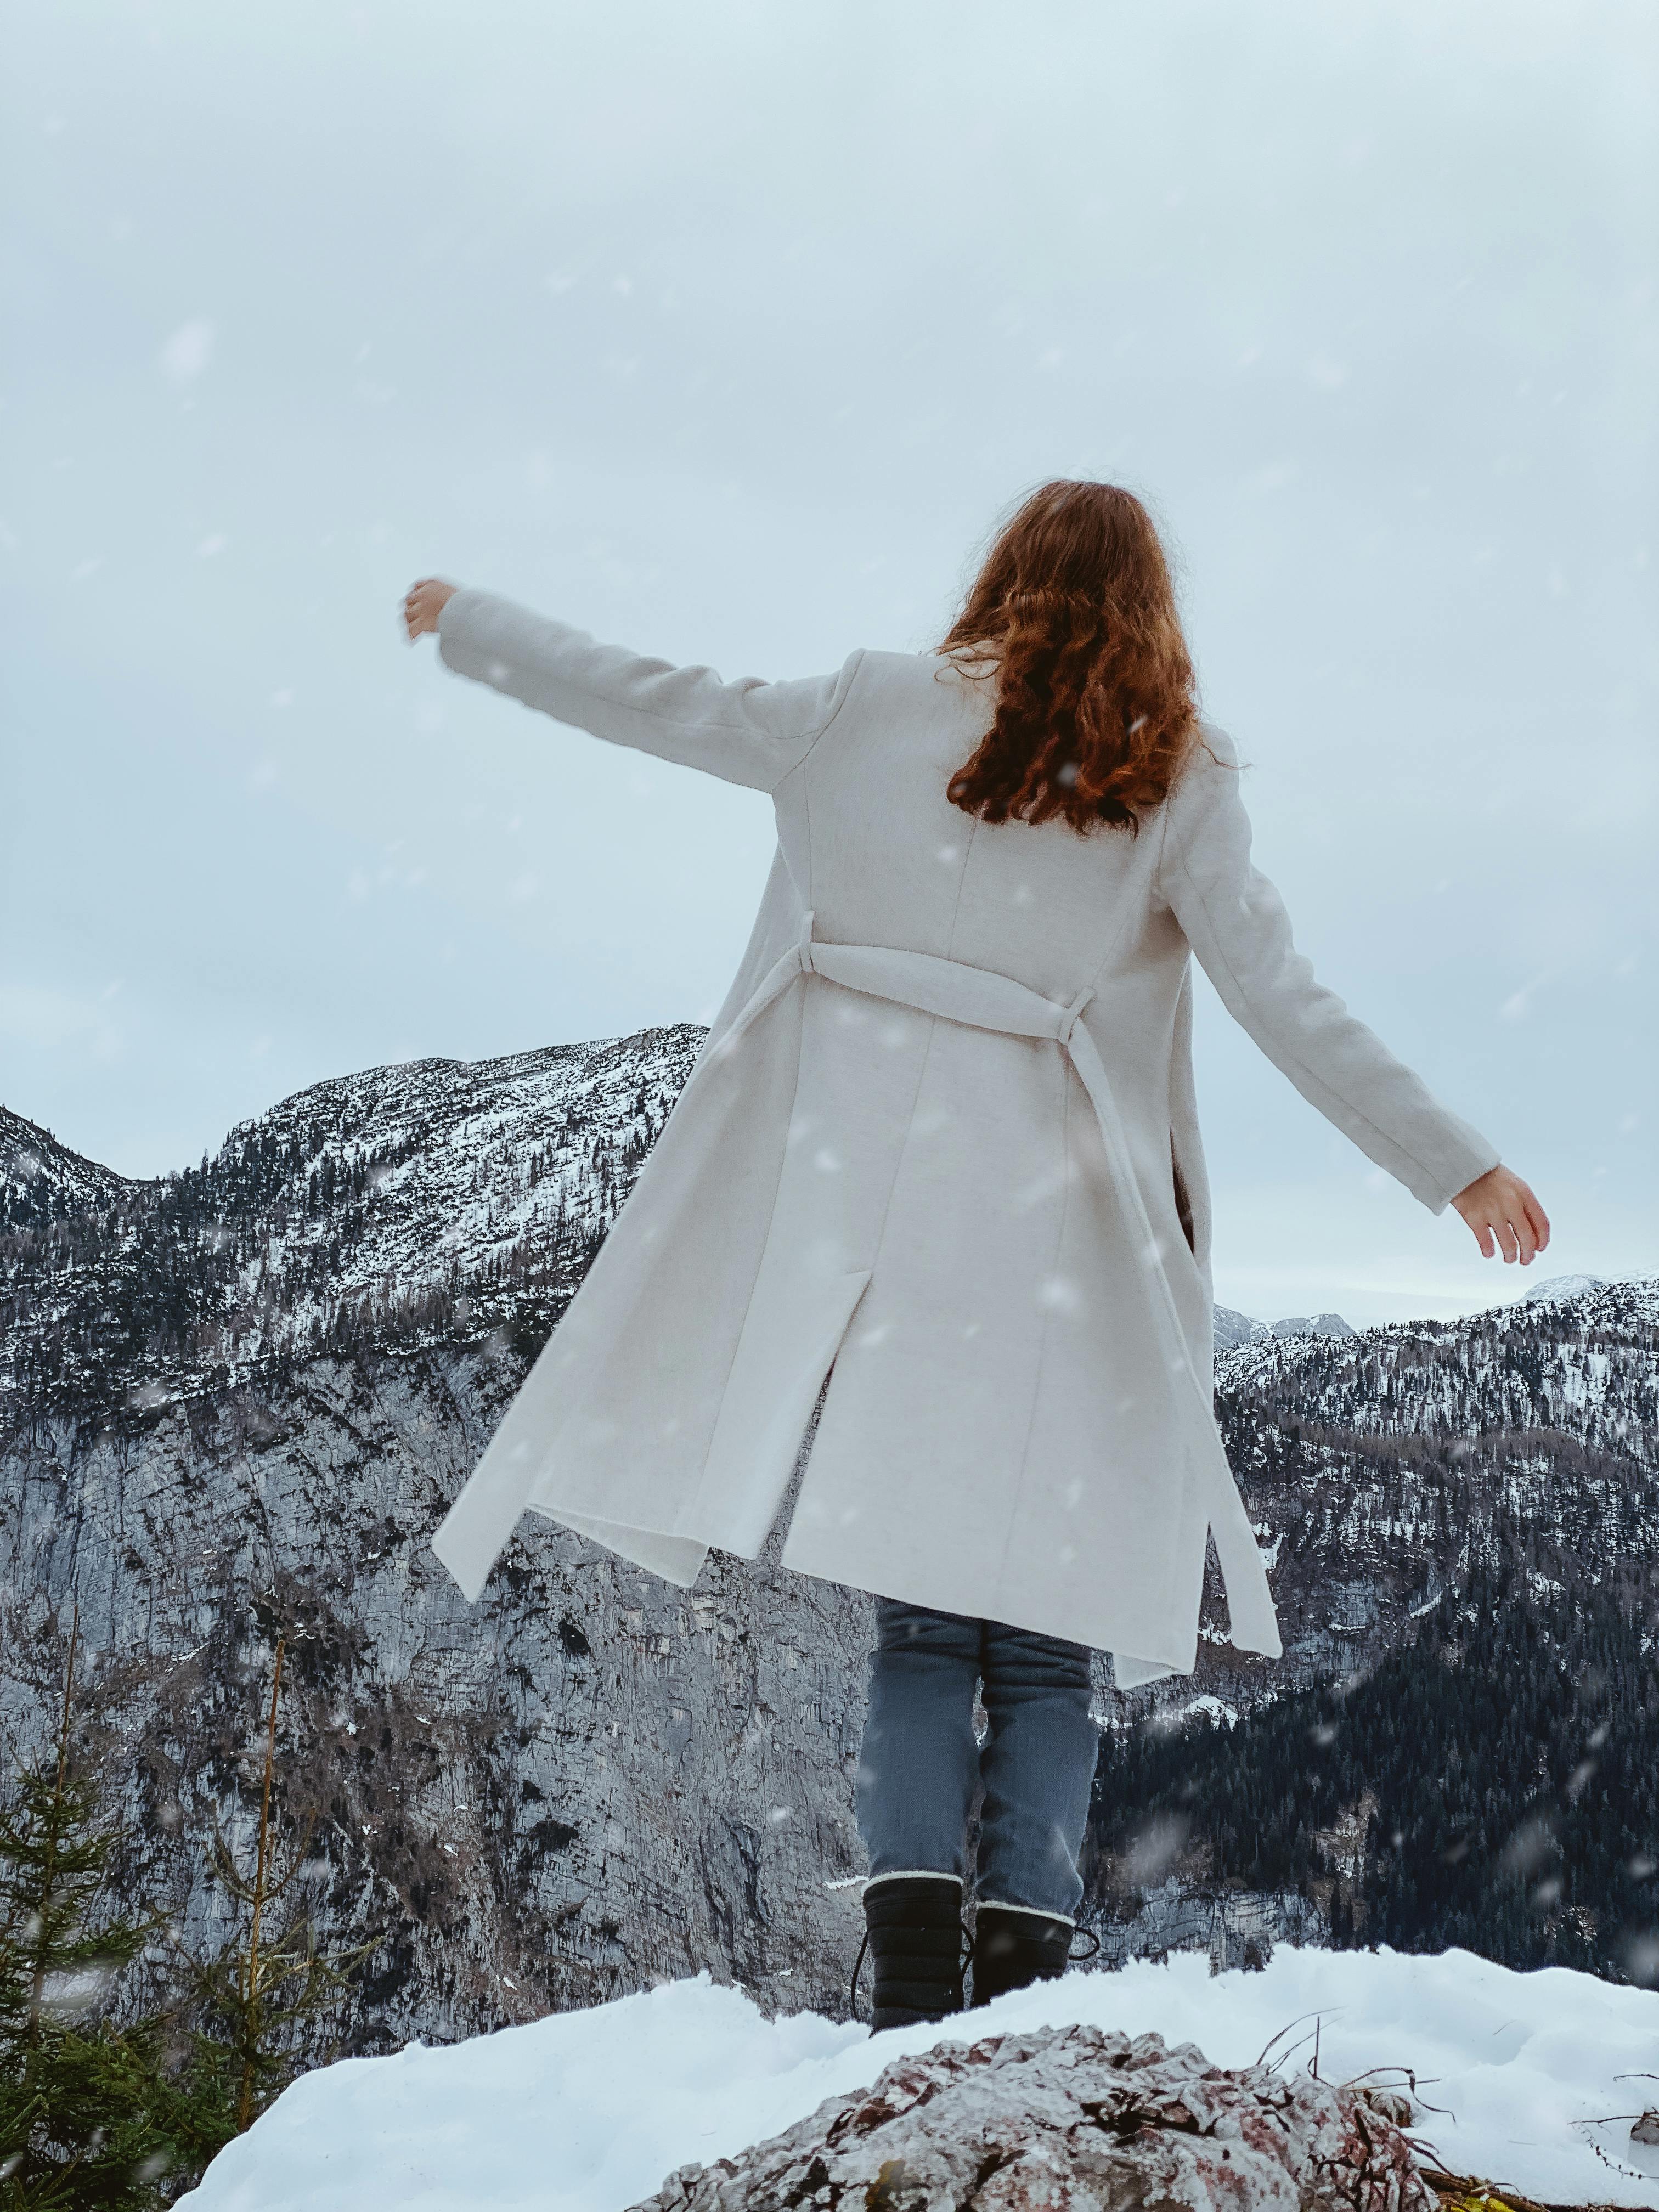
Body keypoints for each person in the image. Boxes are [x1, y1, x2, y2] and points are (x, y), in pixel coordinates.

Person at [403, 481, 1547, 2033]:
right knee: (1052, 1645)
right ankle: (1018, 1992)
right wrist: (1452, 1160)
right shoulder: (1174, 782)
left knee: (926, 1634)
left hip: (878, 1230)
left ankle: (921, 1987)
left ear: (1002, 577)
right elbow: (1289, 1001)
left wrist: (476, 628)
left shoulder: (867, 712)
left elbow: (652, 703)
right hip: (1070, 1240)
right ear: (1152, 604)